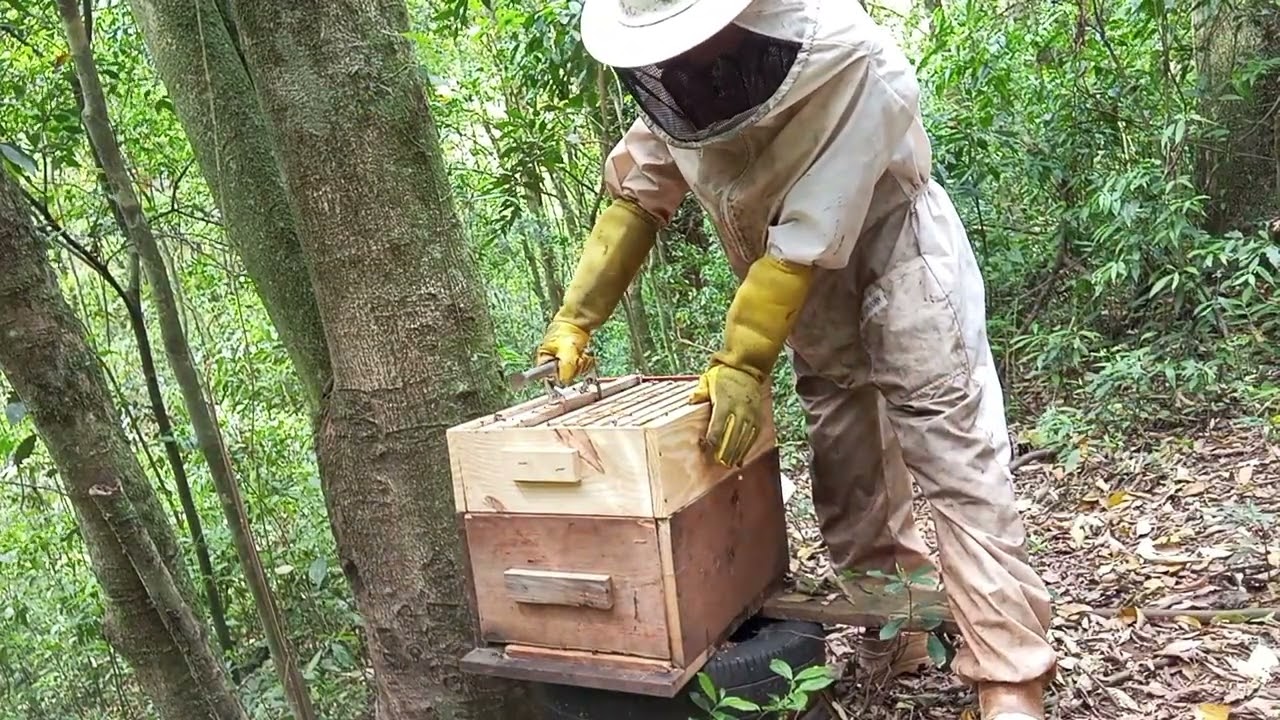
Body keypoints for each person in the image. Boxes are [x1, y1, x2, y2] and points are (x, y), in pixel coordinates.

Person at [533, 1, 1056, 718]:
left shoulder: (858, 63)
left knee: (953, 459)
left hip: (897, 258)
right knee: (848, 473)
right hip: (796, 296)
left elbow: (809, 230)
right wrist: (575, 317)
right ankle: (899, 626)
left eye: (698, 48)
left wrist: (744, 361)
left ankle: (1010, 675)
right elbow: (638, 192)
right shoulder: (676, 83)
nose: (686, 68)